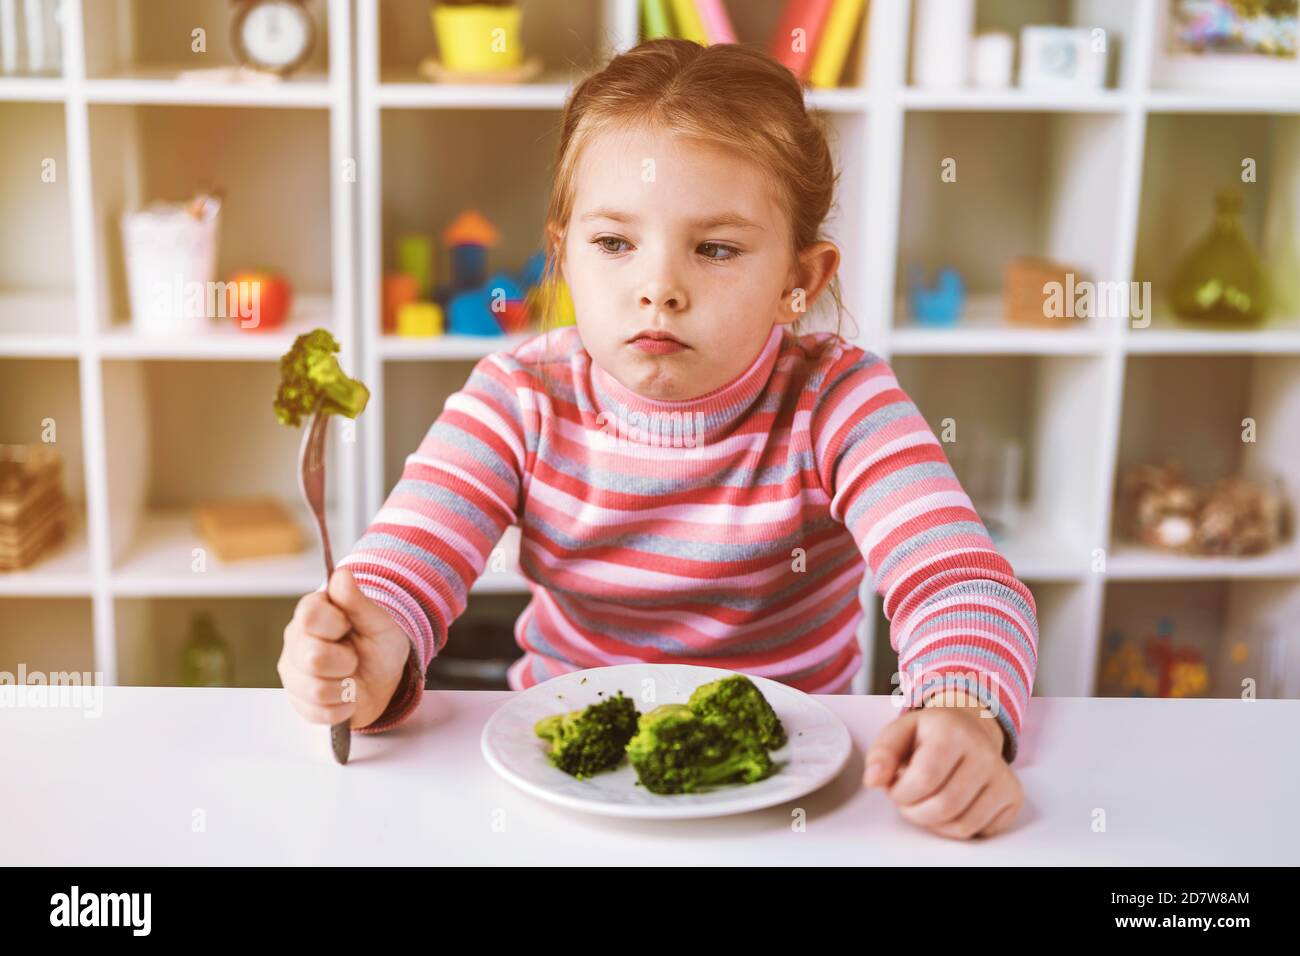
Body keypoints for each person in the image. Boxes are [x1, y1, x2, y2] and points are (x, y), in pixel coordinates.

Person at [279, 38, 1038, 840]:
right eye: (614, 243)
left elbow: (960, 584)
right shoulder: (518, 399)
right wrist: (366, 652)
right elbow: (403, 572)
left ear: (800, 282)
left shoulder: (839, 401)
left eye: (715, 248)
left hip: (796, 801)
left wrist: (963, 710)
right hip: (565, 797)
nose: (659, 288)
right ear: (563, 256)